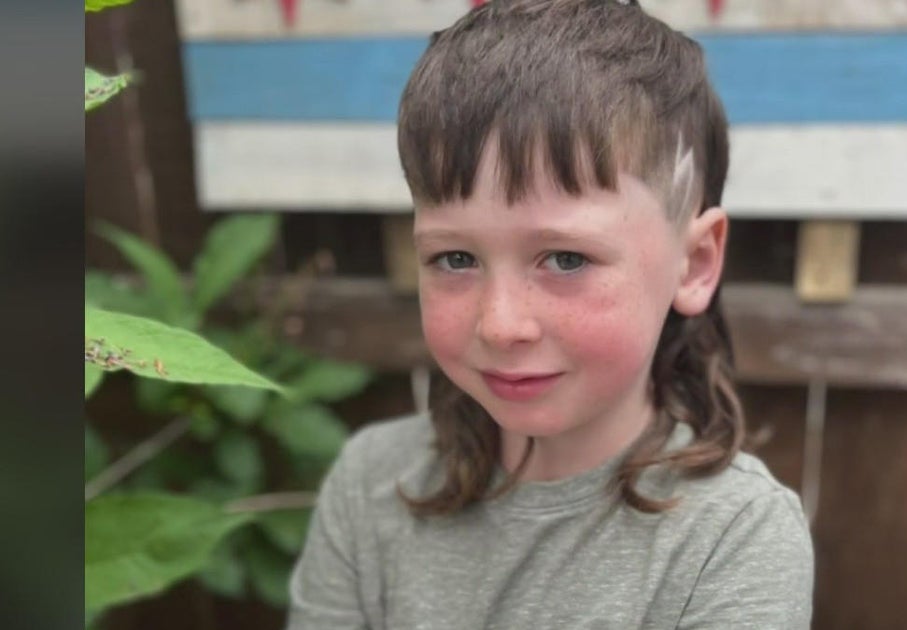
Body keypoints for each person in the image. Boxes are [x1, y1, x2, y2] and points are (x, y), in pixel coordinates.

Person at [287, 1, 813, 627]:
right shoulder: (370, 484)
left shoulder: (735, 537)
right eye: (456, 258)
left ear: (694, 262)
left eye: (566, 259)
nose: (500, 324)